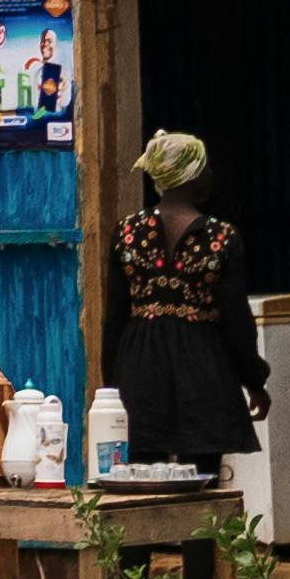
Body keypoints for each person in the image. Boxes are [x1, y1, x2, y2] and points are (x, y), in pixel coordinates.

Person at [106, 128, 253, 478]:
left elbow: (114, 318)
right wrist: (254, 381)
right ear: (192, 175)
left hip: (139, 370)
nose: (211, 174)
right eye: (206, 167)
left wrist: (110, 387)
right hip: (204, 369)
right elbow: (237, 322)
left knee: (142, 483)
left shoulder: (126, 232)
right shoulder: (223, 236)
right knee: (203, 485)